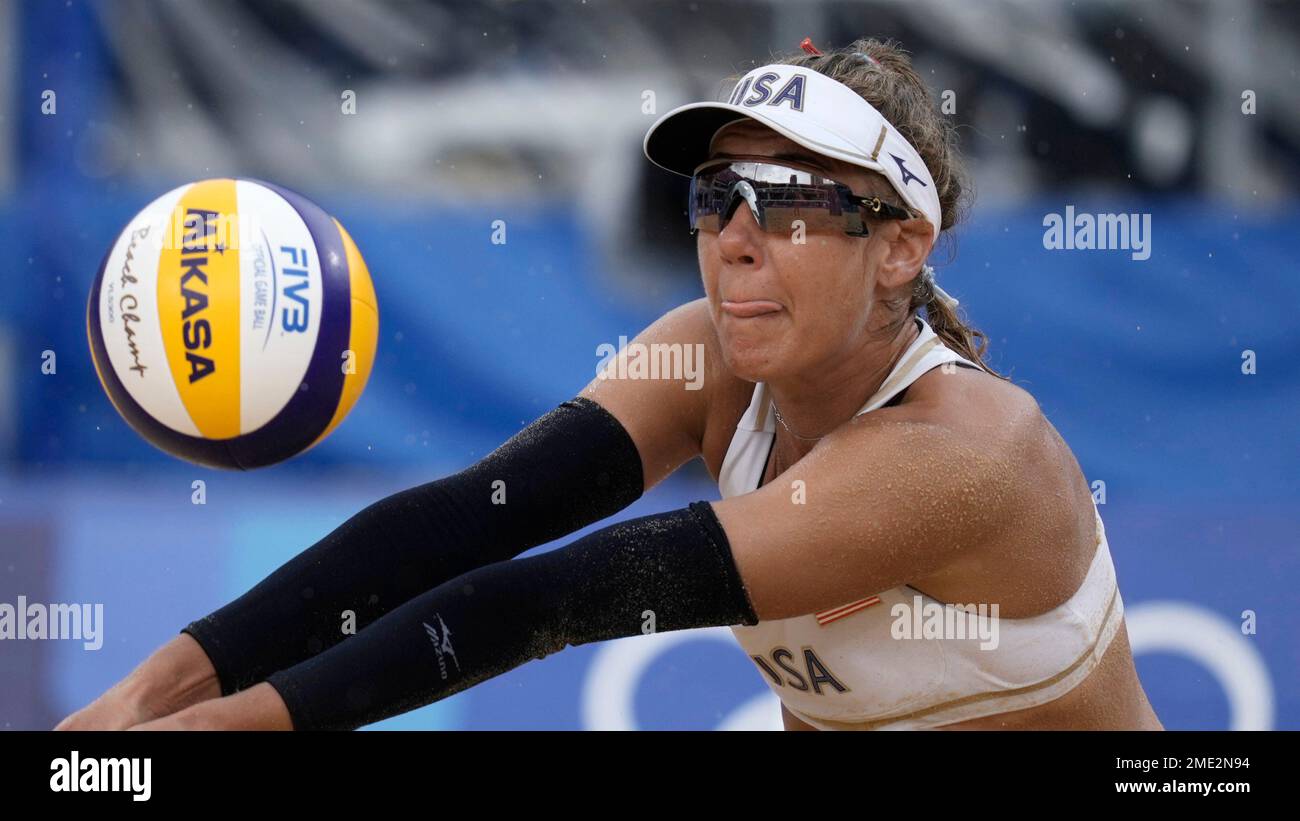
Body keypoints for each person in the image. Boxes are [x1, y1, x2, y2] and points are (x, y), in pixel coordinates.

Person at [56, 37, 1162, 731]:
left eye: (785, 200)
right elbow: (464, 523)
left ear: (901, 245)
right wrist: (146, 693)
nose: (734, 236)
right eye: (716, 195)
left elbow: (547, 600)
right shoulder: (712, 361)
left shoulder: (960, 454)